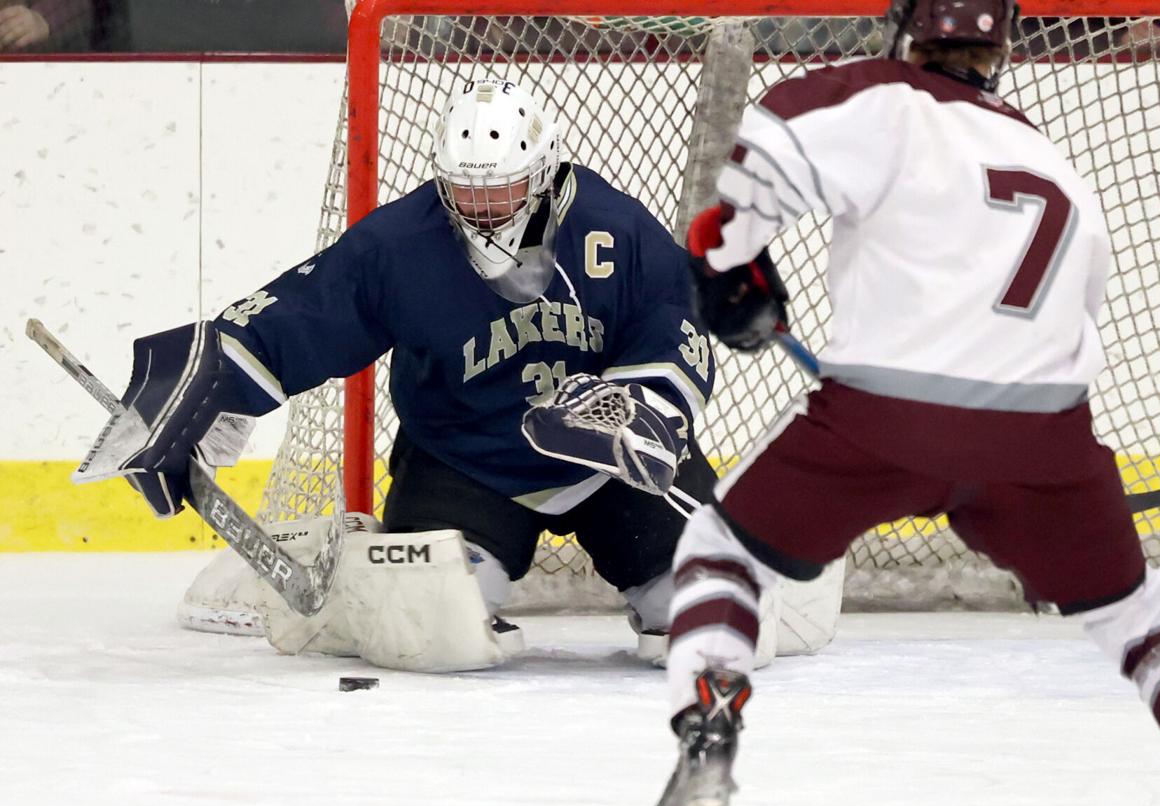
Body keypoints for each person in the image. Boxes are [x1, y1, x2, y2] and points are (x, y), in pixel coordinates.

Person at [652, 1, 1160, 806]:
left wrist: (729, 262)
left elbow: (774, 140)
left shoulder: (881, 97)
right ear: (1001, 39)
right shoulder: (1047, 156)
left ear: (908, 24)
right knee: (1141, 616)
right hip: (1044, 431)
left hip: (883, 417)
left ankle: (709, 726)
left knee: (721, 550)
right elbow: (1078, 309)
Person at [73, 78, 720, 662]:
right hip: (465, 460)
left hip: (608, 465)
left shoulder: (615, 228)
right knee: (435, 628)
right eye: (465, 190)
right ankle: (363, 572)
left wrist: (641, 405)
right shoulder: (404, 243)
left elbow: (675, 317)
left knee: (713, 616)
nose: (483, 208)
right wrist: (206, 375)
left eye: (502, 189)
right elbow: (311, 309)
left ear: (545, 171)